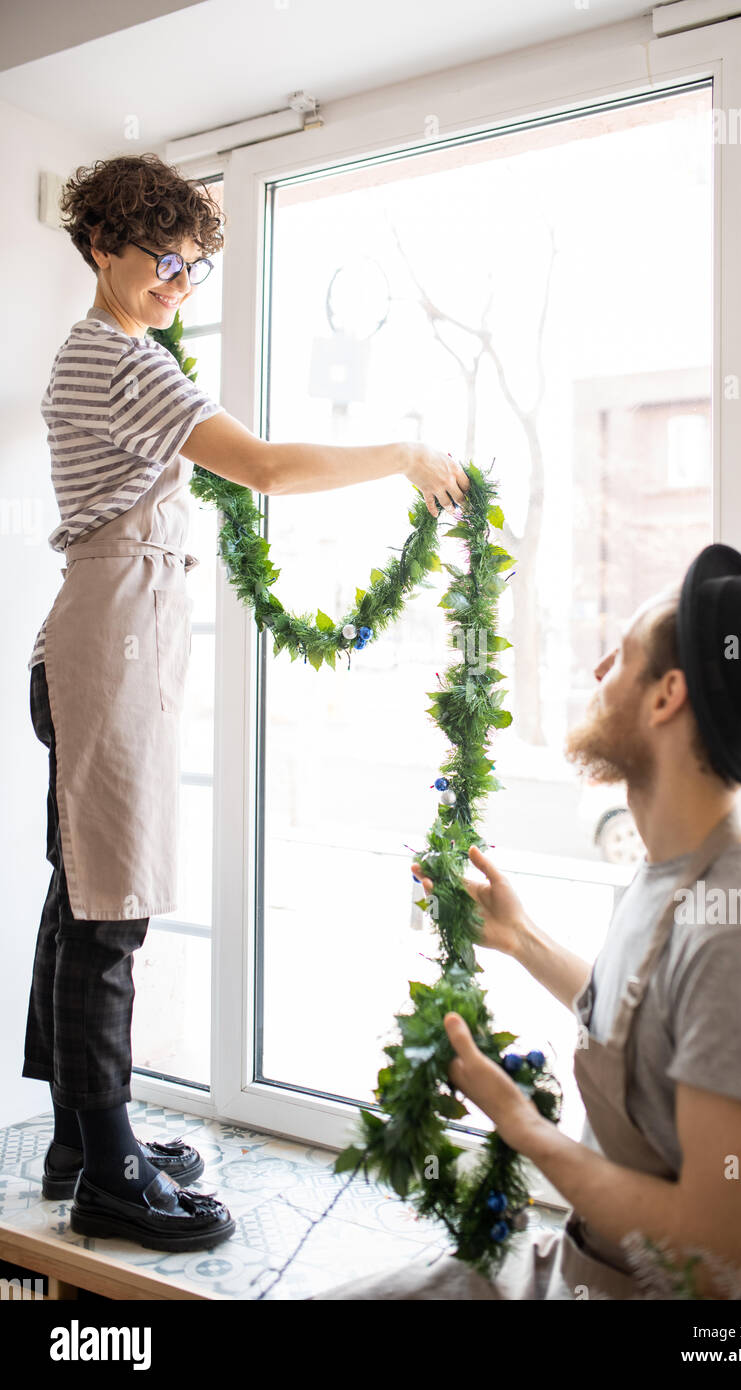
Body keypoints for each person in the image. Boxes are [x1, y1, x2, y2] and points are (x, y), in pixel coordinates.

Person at [24, 151, 469, 1252]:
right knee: (108, 908)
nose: (178, 283)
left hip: (109, 647)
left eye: (193, 266)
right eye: (161, 261)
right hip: (102, 654)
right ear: (100, 250)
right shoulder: (114, 360)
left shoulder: (125, 349)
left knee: (82, 893)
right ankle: (111, 1170)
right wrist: (404, 449)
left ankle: (83, 1137)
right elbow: (263, 465)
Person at [314, 543, 741, 1300]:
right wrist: (521, 938)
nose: (599, 672)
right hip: (586, 1273)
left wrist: (522, 1127)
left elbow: (716, 1258)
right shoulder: (677, 874)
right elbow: (647, 1031)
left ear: (666, 697)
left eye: (621, 654)